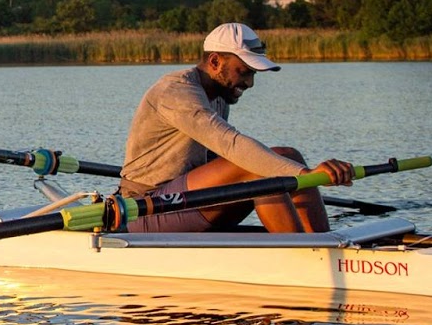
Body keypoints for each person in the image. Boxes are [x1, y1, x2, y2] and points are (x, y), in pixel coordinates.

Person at [120, 22, 352, 232]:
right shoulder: (176, 92)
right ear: (214, 62)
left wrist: (298, 171)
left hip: (187, 201)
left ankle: (325, 245)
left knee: (289, 156)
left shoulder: (219, 95)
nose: (249, 83)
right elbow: (231, 145)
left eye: (253, 74)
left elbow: (216, 160)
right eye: (244, 71)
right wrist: (306, 175)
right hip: (145, 209)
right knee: (258, 169)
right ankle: (307, 257)